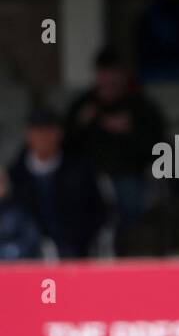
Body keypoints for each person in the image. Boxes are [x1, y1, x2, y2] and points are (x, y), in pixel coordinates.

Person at [62, 47, 167, 255]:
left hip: (128, 174)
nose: (108, 81)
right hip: (88, 177)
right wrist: (80, 124)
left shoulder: (140, 106)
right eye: (103, 75)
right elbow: (64, 146)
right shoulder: (84, 104)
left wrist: (130, 131)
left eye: (113, 75)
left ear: (122, 75)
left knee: (127, 204)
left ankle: (122, 251)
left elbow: (158, 148)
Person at [7, 106, 106, 259]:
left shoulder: (80, 170)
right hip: (27, 253)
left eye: (49, 131)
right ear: (28, 135)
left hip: (73, 251)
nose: (43, 138)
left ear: (59, 134)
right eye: (37, 131)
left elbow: (97, 212)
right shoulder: (15, 175)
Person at [0, 167, 42, 260]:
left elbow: (31, 241)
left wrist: (10, 252)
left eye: (1, 182)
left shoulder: (19, 212)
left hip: (15, 265)